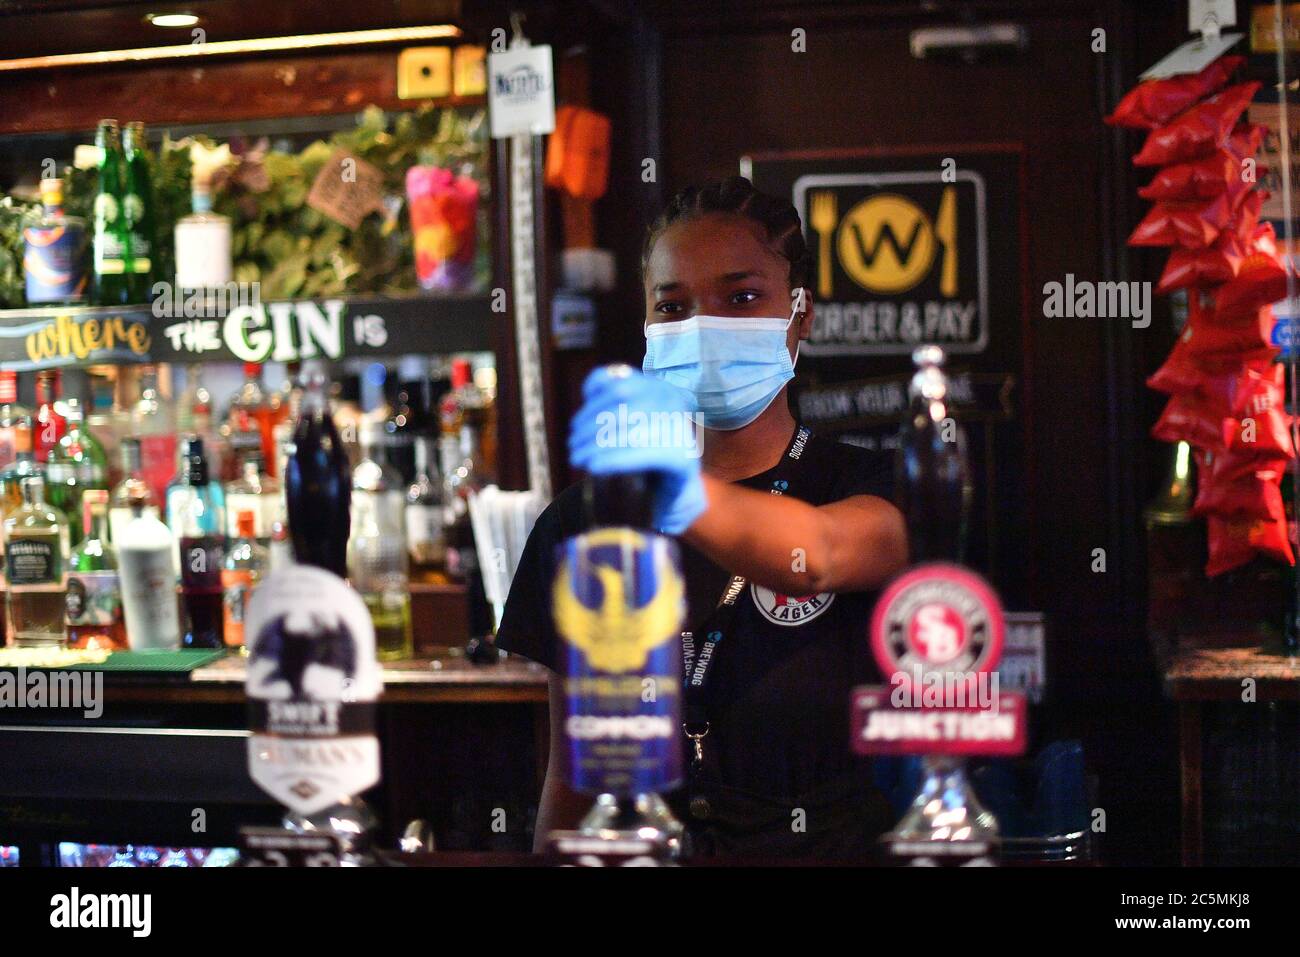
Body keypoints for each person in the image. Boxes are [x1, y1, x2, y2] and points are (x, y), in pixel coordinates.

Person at [495, 176, 909, 858]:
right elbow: (573, 770)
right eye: (674, 305)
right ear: (650, 327)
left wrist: (672, 487)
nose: (703, 325)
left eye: (742, 296)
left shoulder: (869, 484)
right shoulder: (581, 523)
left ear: (801, 314)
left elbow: (822, 552)